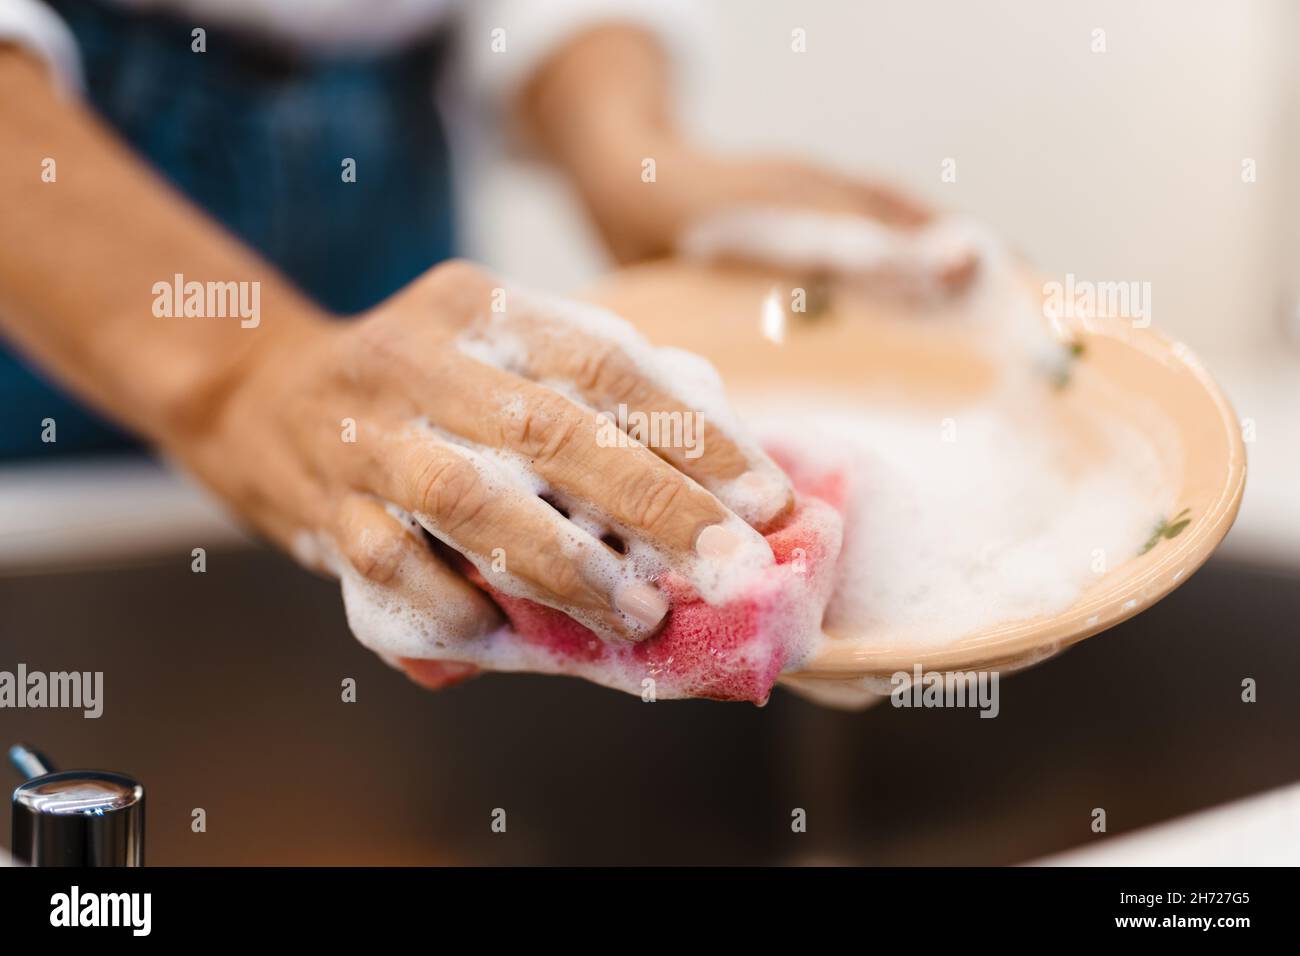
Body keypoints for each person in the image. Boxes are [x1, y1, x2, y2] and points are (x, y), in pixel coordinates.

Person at [0, 0, 961, 687]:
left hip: (386, 167)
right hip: (42, 213)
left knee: (431, 550)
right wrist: (245, 373)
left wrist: (626, 145)